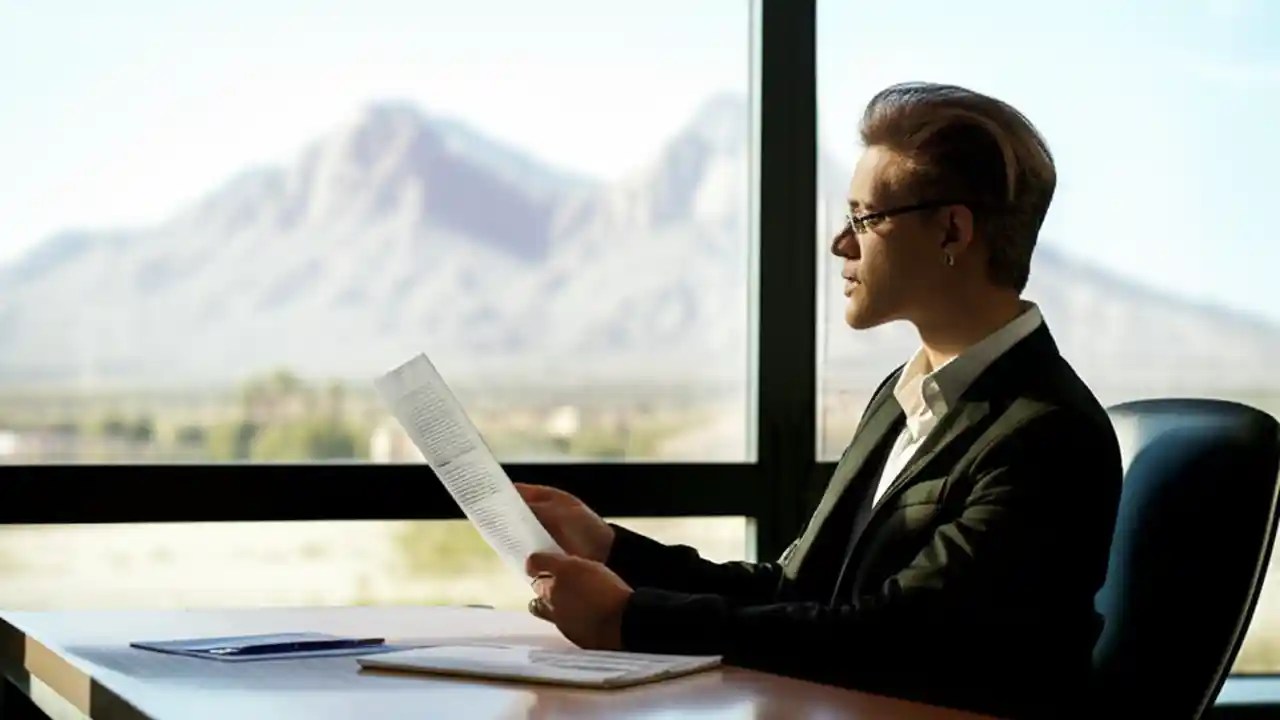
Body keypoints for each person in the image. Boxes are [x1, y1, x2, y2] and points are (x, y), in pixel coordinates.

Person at [516, 82, 1122, 719]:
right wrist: (612, 550)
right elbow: (799, 591)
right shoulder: (903, 395)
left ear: (952, 229)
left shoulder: (1047, 435)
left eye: (865, 218)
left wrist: (628, 620)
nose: (842, 244)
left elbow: (894, 640)